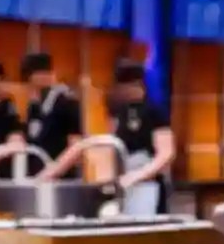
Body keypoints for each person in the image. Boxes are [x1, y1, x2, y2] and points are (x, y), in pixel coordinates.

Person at [40, 59, 175, 215]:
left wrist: (137, 176)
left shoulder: (154, 111)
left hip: (148, 185)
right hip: (123, 183)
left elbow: (166, 153)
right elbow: (99, 145)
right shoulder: (118, 112)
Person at [22, 52, 82, 176]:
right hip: (36, 176)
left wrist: (52, 172)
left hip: (61, 177)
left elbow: (76, 145)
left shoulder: (66, 101)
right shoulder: (34, 106)